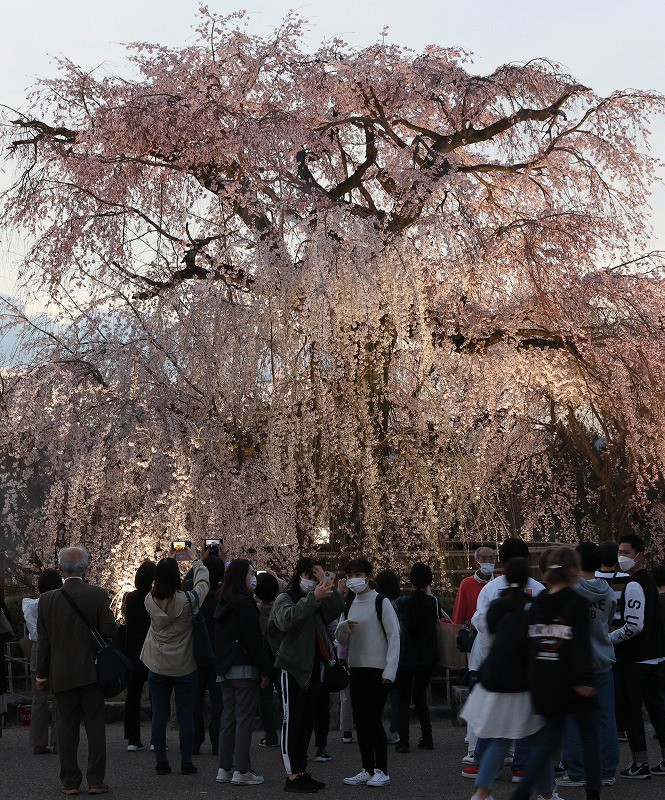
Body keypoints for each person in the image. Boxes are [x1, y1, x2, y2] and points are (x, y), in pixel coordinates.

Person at [510, 547, 602, 800]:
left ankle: (521, 791)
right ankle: (593, 792)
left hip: (544, 680)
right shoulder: (577, 603)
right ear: (574, 571)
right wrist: (585, 680)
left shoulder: (538, 602)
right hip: (574, 679)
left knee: (548, 741)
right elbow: (581, 645)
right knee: (590, 738)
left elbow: (527, 643)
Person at [460, 557, 545, 800]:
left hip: (495, 675)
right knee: (539, 740)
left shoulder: (497, 605)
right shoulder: (533, 606)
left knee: (498, 739)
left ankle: (482, 792)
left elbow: (485, 626)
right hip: (522, 681)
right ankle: (545, 792)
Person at [36, 546, 118, 795]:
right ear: (86, 568)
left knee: (66, 729)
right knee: (95, 728)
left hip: (61, 673)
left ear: (60, 569)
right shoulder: (98, 594)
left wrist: (42, 675)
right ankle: (95, 780)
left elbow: (44, 641)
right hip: (91, 672)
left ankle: (70, 781)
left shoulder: (47, 600)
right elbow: (110, 631)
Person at [267, 557, 345, 793]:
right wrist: (314, 597)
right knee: (292, 721)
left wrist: (326, 583)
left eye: (315, 578)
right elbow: (287, 620)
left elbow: (336, 608)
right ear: (298, 575)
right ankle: (291, 775)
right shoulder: (286, 598)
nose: (312, 583)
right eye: (309, 578)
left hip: (313, 668)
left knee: (306, 721)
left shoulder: (316, 598)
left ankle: (300, 770)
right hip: (291, 667)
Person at [140, 544, 209, 776]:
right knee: (185, 714)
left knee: (159, 713)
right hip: (184, 665)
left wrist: (167, 561)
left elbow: (156, 584)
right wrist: (196, 561)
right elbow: (203, 584)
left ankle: (161, 761)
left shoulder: (149, 600)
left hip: (158, 664)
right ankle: (186, 761)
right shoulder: (189, 602)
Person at [557, 542, 619, 788]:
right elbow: (609, 619)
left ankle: (577, 770)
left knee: (573, 717)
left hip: (576, 662)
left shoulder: (571, 591)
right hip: (604, 659)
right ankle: (607, 769)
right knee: (606, 718)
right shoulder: (608, 592)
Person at [336, 557, 400, 789]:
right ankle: (367, 768)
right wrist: (343, 628)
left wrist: (390, 672)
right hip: (357, 668)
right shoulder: (350, 603)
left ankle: (382, 770)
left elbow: (394, 637)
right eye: (350, 575)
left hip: (378, 670)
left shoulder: (380, 601)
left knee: (373, 720)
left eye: (358, 574)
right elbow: (341, 641)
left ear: (369, 576)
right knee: (361, 721)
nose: (354, 579)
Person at [610, 533, 665, 778]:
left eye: (627, 553)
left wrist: (609, 639)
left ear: (639, 555)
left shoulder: (634, 584)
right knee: (657, 708)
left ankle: (640, 762)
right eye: (620, 553)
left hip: (634, 659)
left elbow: (634, 625)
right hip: (654, 655)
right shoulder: (648, 581)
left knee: (632, 709)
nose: (622, 557)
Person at [214, 559, 266, 785]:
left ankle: (224, 768)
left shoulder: (222, 602)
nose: (254, 576)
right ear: (241, 577)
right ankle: (242, 770)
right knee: (244, 720)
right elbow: (254, 641)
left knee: (229, 718)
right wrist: (265, 670)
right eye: (251, 573)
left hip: (225, 668)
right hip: (244, 667)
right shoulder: (245, 604)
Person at [393, 562, 439, 753]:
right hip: (427, 656)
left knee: (403, 698)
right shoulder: (432, 602)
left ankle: (403, 741)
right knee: (420, 696)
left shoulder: (401, 603)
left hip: (405, 656)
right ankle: (427, 738)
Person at [184, 550, 226, 755]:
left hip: (196, 650)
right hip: (218, 652)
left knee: (195, 698)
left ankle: (194, 741)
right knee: (219, 699)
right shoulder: (224, 596)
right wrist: (224, 563)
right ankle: (217, 741)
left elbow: (185, 583)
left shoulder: (194, 597)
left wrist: (197, 561)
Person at [22, 568, 63, 754]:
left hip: (37, 650)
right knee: (59, 697)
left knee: (38, 698)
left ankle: (38, 743)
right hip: (58, 649)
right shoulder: (60, 604)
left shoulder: (30, 606)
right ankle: (58, 742)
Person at [122, 560, 156, 752]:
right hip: (153, 650)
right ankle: (156, 738)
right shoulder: (155, 598)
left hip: (134, 651)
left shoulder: (130, 598)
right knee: (156, 696)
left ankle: (133, 739)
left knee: (133, 696)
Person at [255, 569, 285, 748]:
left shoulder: (256, 610)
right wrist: (278, 580)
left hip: (263, 659)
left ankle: (271, 736)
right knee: (285, 696)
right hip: (281, 656)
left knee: (264, 699)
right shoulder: (283, 607)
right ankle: (289, 732)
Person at [374, 568, 401, 746]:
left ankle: (376, 730)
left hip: (378, 653)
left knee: (377, 696)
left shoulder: (377, 604)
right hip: (398, 654)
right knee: (396, 695)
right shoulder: (400, 604)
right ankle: (394, 730)